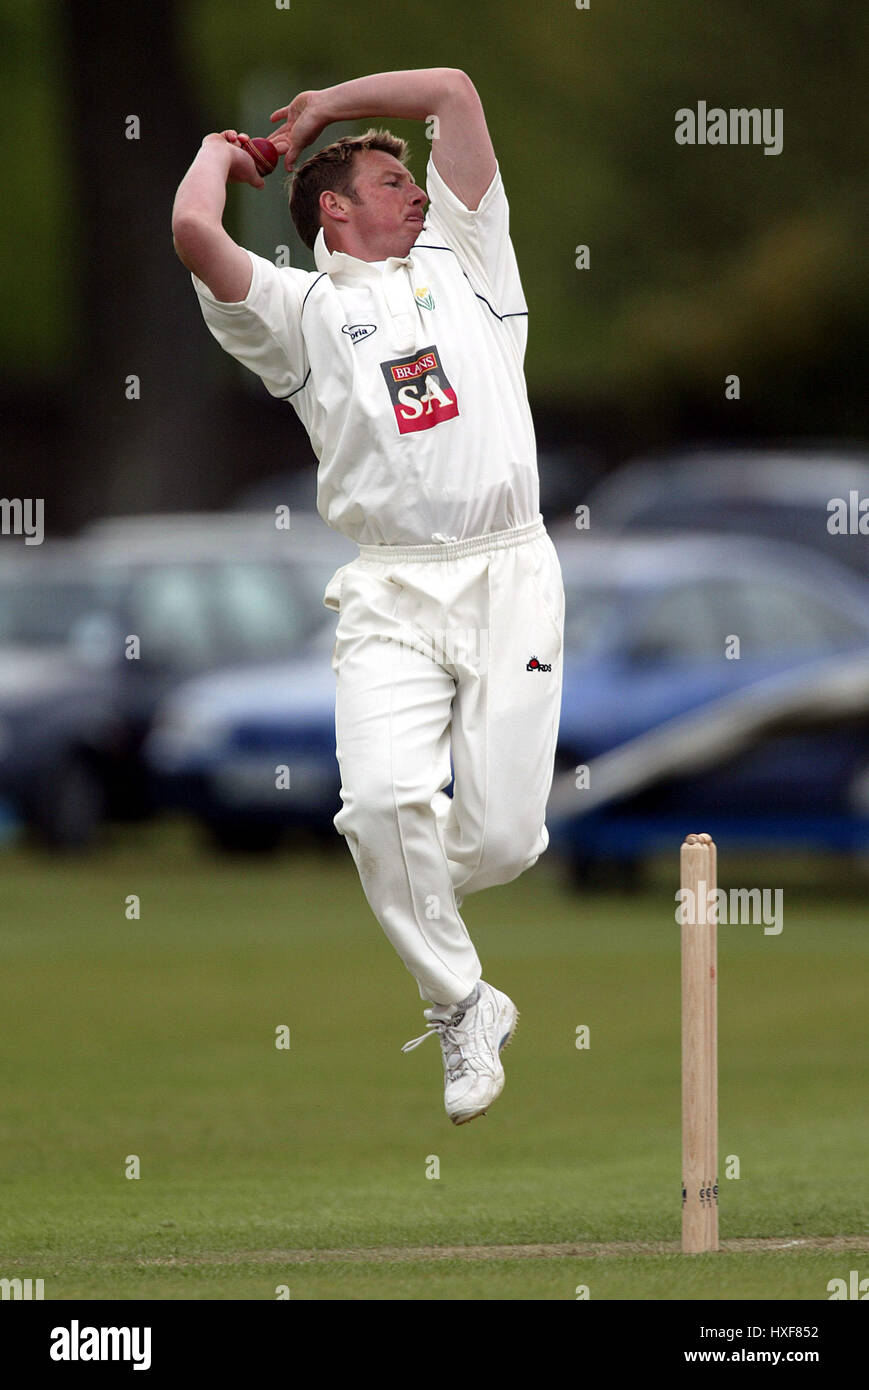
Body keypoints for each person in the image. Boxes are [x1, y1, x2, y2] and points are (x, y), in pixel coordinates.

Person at [172, 68, 564, 1125]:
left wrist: (330, 106)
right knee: (381, 806)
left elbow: (453, 91)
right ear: (331, 210)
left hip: (509, 570)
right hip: (389, 586)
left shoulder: (466, 254)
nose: (416, 190)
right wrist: (225, 151)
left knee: (502, 843)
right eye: (392, 179)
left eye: (413, 175)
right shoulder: (299, 311)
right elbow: (195, 234)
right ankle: (462, 1003)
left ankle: (424, 912)